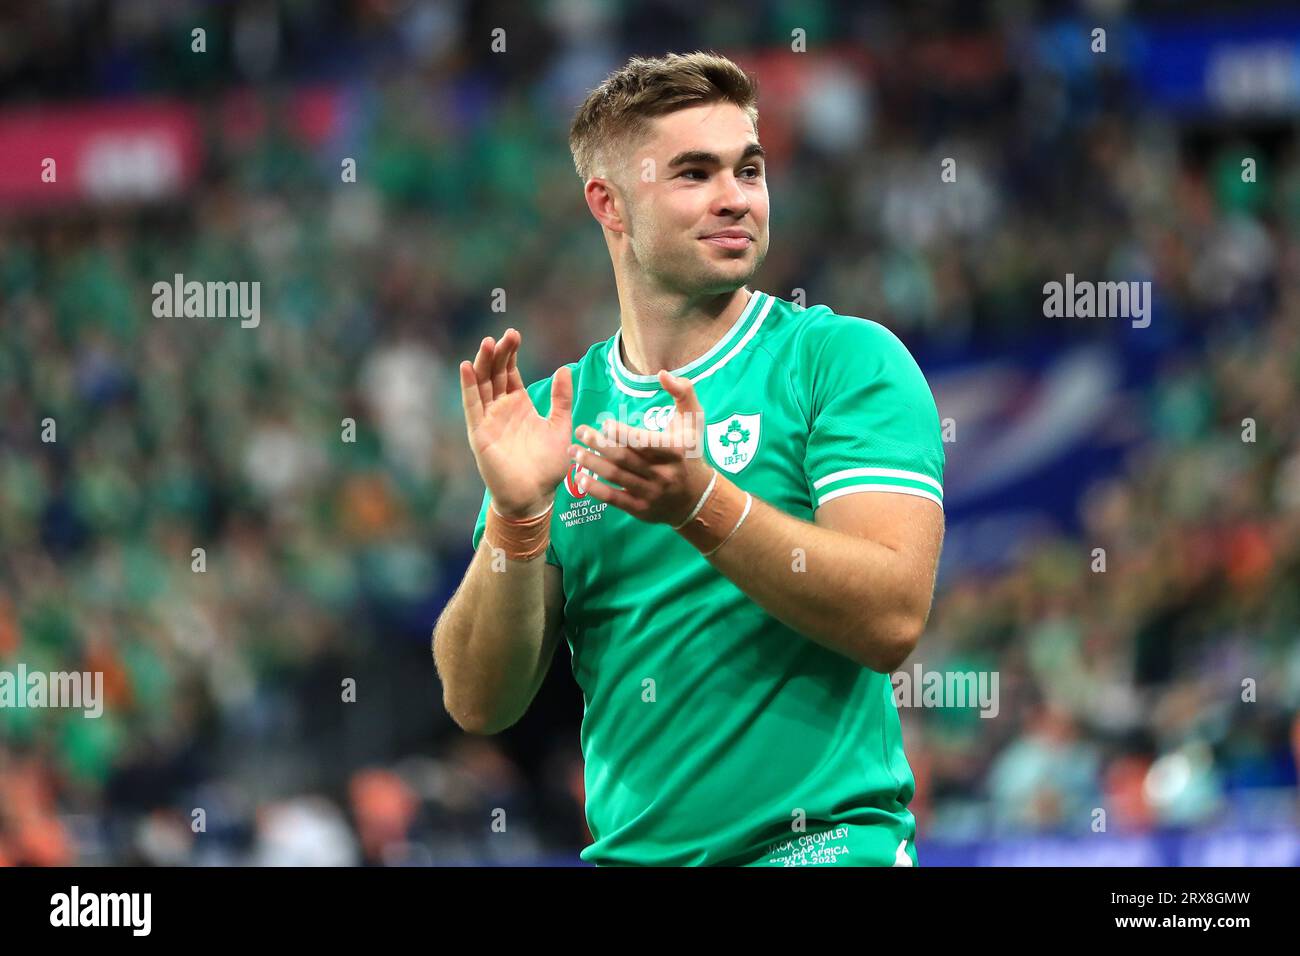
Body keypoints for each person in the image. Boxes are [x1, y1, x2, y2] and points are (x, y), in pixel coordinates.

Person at [433, 51, 945, 866]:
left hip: (820, 850)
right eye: (694, 174)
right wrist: (516, 520)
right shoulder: (559, 418)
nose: (735, 197)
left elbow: (892, 619)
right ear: (610, 203)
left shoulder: (841, 362)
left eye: (748, 168)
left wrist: (701, 504)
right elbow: (477, 700)